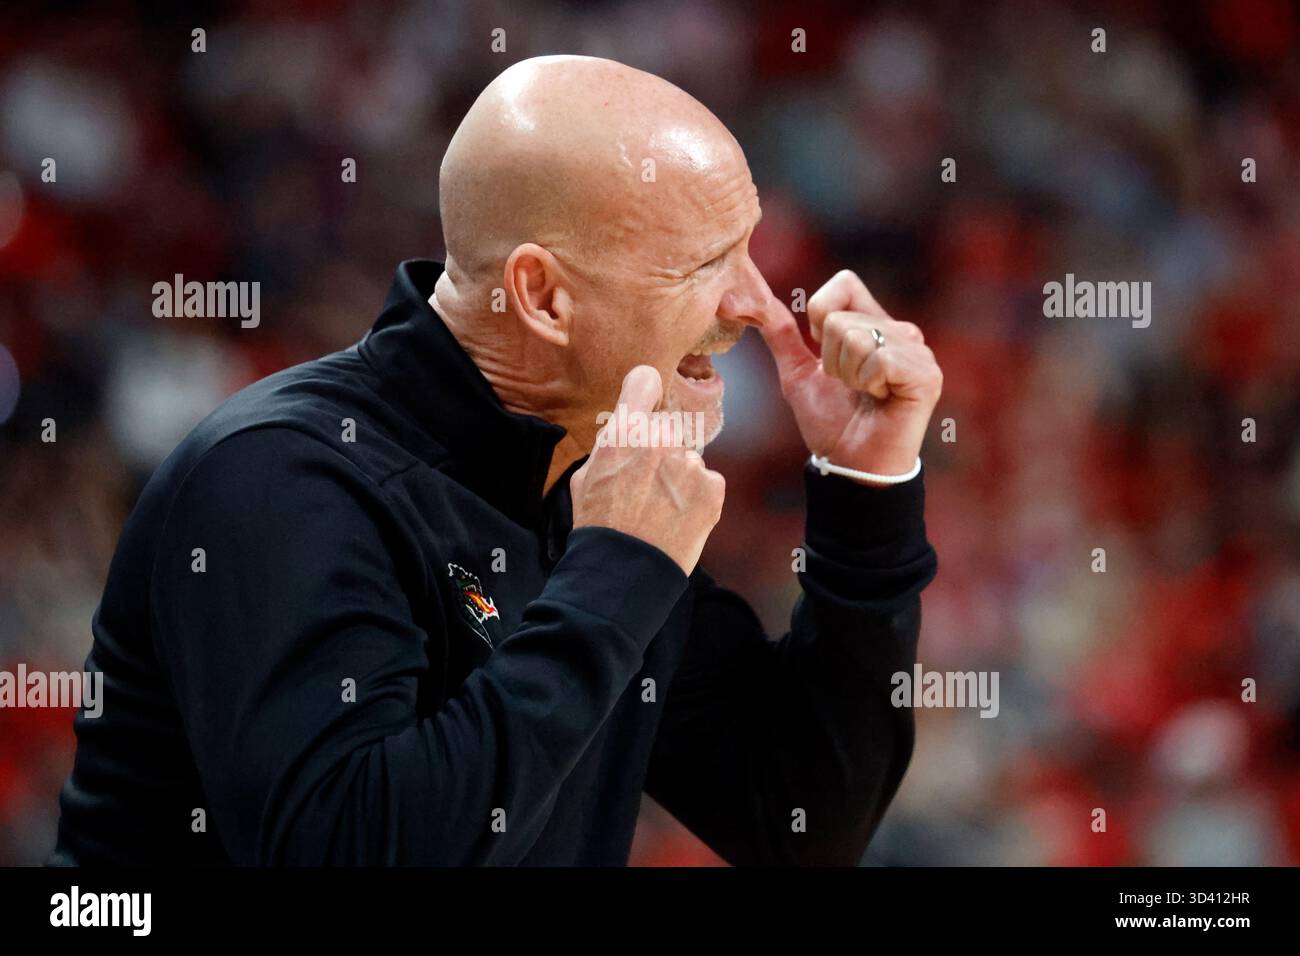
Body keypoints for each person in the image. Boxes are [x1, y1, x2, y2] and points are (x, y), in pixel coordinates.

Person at [49, 55, 942, 866]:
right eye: (707, 262)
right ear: (543, 297)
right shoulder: (278, 480)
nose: (755, 304)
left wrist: (866, 492)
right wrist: (615, 579)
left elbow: (801, 818)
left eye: (748, 248)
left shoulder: (577, 474)